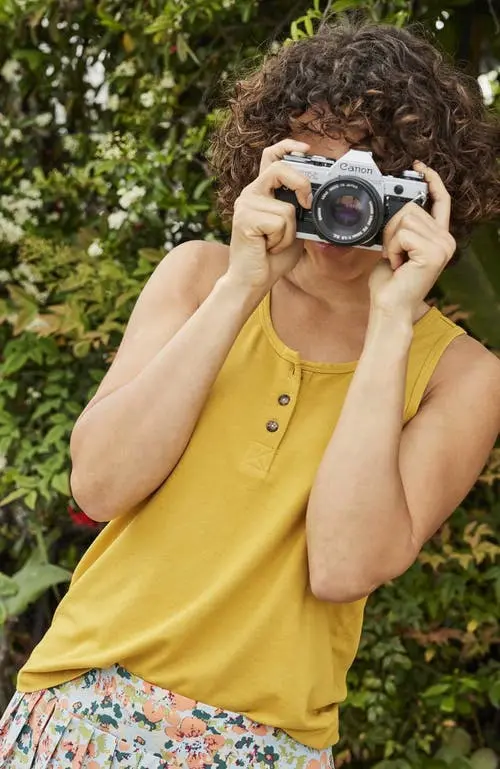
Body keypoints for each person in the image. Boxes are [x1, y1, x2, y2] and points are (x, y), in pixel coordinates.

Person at [1, 17, 500, 769]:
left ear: (430, 187)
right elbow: (99, 485)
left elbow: (342, 565)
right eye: (317, 166)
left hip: (264, 745)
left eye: (374, 174)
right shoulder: (200, 275)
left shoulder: (463, 375)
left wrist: (393, 321)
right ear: (270, 159)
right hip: (86, 705)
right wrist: (241, 286)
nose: (345, 198)